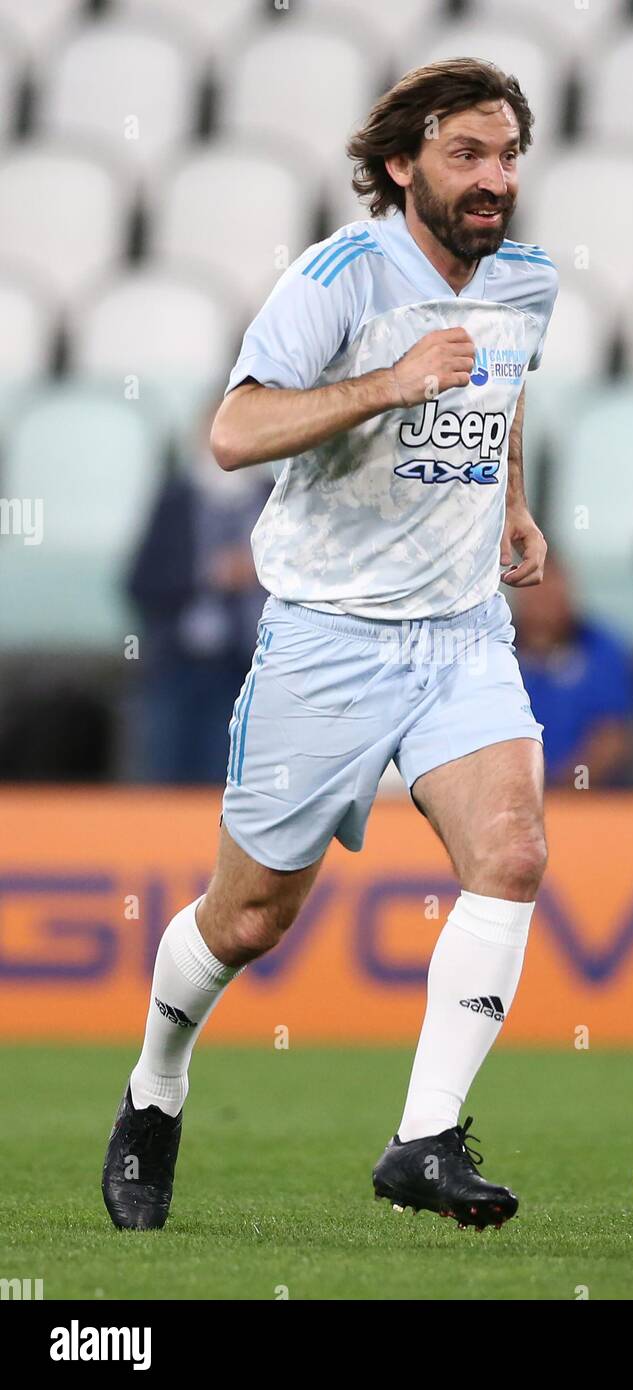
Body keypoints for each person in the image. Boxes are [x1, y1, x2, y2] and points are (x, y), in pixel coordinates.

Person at [102, 59, 558, 1234]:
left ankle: (424, 1140)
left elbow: (500, 397)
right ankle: (157, 1082)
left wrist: (509, 502)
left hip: (459, 632)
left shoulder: (528, 281)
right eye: (466, 153)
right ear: (402, 163)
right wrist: (388, 381)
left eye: (506, 153)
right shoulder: (336, 277)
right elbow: (233, 429)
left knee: (509, 854)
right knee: (248, 919)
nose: (493, 177)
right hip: (328, 638)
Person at [127, 400, 270, 783]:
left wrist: (259, 569)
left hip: (249, 669)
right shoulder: (175, 501)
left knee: (227, 782)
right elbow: (140, 581)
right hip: (179, 667)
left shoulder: (278, 499)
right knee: (165, 778)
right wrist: (207, 573)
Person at [516, 552, 633, 787]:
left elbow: (614, 736)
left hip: (587, 802)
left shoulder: (603, 649)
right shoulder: (494, 653)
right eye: (534, 590)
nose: (543, 600)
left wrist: (566, 790)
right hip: (507, 797)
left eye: (552, 588)